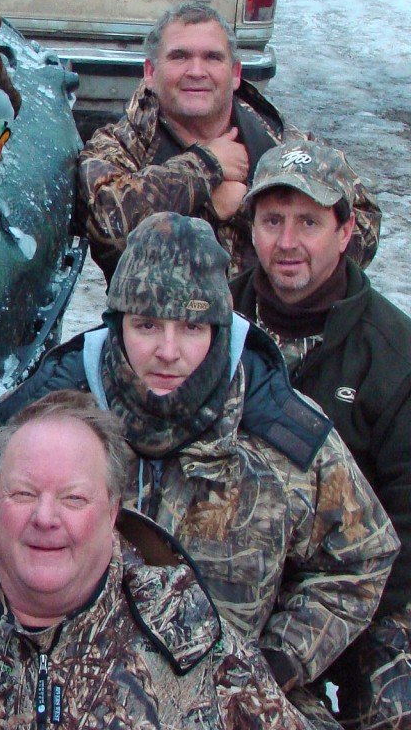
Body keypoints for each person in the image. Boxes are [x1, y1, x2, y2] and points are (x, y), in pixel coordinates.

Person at [0, 212, 398, 725]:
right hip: (68, 691)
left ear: (219, 330)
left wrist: (273, 662)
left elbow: (363, 556)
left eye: (191, 327)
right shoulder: (44, 422)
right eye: (146, 324)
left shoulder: (282, 433)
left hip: (230, 702)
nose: (167, 351)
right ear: (116, 324)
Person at [0, 390, 317, 729]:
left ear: (112, 511)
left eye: (73, 498)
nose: (45, 518)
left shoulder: (187, 638)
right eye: (23, 493)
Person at [231, 139, 411, 729]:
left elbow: (406, 526)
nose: (287, 242)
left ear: (346, 229)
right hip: (230, 582)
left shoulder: (394, 353)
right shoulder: (207, 325)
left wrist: (317, 634)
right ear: (251, 228)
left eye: (309, 221)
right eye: (272, 220)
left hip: (363, 593)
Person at [76, 2, 381, 282]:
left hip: (270, 335)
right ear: (151, 73)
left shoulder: (283, 144)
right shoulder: (115, 147)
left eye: (212, 57)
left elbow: (364, 224)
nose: (196, 71)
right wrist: (204, 168)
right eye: (180, 56)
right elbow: (108, 228)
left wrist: (250, 210)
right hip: (160, 337)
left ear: (235, 74)